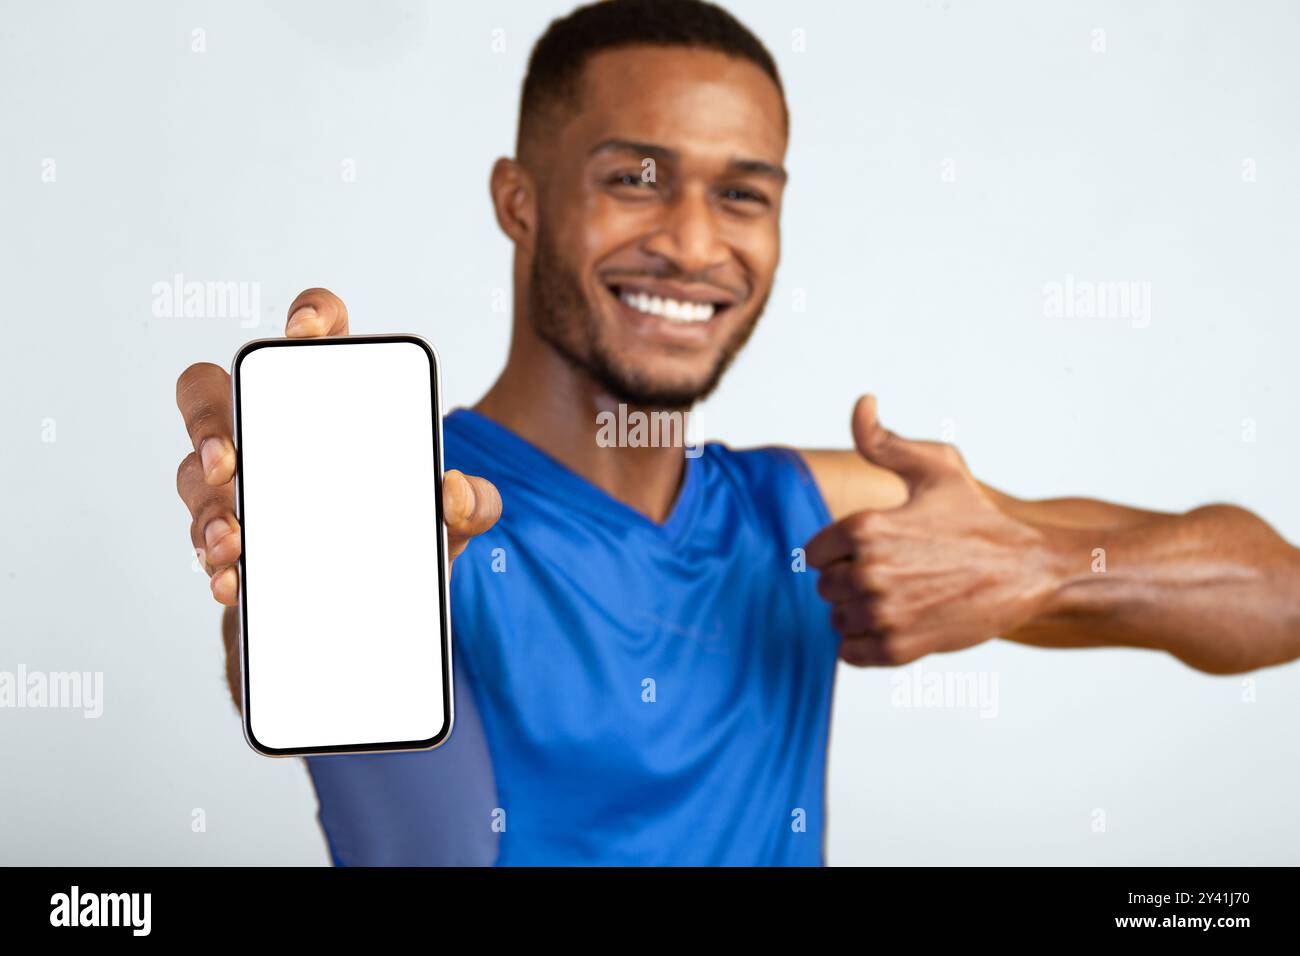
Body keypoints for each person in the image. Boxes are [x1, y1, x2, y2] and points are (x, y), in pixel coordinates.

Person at [173, 0, 1300, 865]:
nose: (694, 243)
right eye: (635, 179)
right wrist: (325, 594)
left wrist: (1041, 564)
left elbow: (1277, 597)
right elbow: (421, 851)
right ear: (518, 199)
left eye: (743, 195)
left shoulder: (807, 513)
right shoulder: (419, 513)